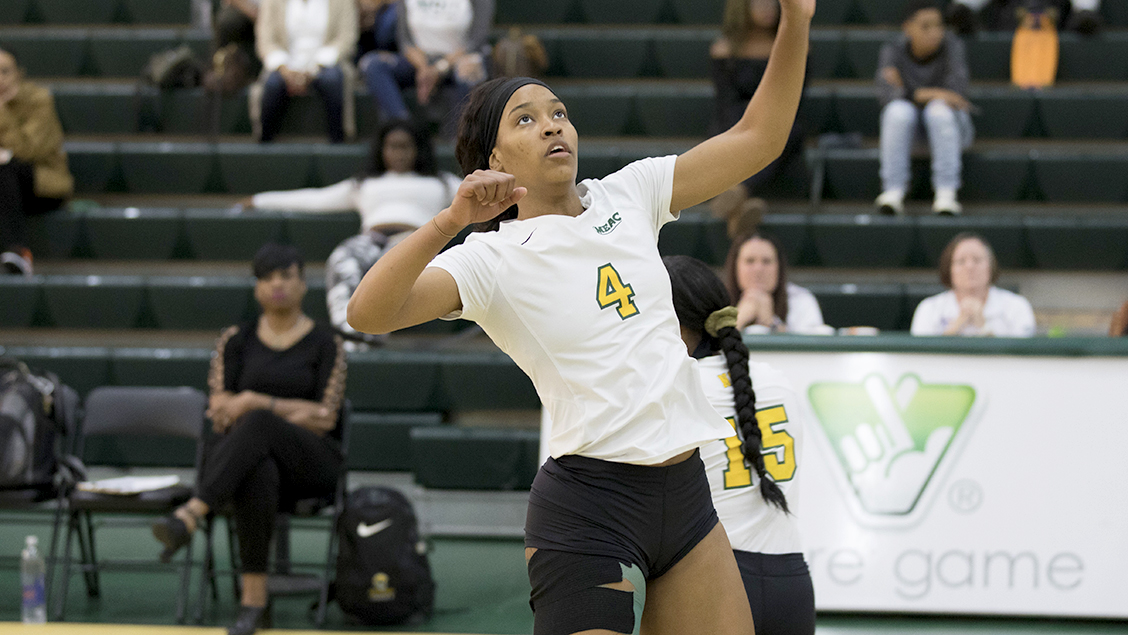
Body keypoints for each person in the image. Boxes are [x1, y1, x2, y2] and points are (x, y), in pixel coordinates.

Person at [345, 0, 813, 629]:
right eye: (526, 119)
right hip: (590, 505)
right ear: (495, 160)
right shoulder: (490, 257)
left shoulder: (631, 191)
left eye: (558, 113)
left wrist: (796, 22)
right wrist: (450, 221)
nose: (551, 127)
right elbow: (367, 313)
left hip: (686, 495)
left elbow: (759, 139)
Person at [151, 244, 347, 635]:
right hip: (247, 464)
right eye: (267, 278)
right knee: (257, 469)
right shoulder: (236, 339)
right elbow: (220, 409)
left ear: (303, 284)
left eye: (286, 276)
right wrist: (287, 410)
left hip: (310, 463)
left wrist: (257, 402)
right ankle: (254, 604)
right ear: (256, 288)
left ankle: (194, 511)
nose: (277, 285)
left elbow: (324, 417)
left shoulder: (327, 342)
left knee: (257, 421)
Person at [665, 255, 815, 635]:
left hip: (714, 583)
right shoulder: (779, 380)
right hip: (792, 586)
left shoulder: (676, 389)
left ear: (674, 325)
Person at [243, 119, 461, 348]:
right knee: (341, 259)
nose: (399, 153)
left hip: (413, 244)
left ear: (418, 149)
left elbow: (477, 194)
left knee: (390, 277)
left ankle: (373, 335)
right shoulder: (363, 183)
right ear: (382, 149)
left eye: (405, 146)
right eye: (392, 146)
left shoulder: (443, 183)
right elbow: (316, 198)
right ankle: (350, 334)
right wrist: (259, 200)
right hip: (369, 241)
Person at [875, 0, 974, 216]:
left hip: (951, 129)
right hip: (911, 133)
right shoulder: (892, 50)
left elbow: (956, 94)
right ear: (908, 28)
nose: (934, 32)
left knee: (938, 111)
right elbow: (887, 95)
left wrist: (909, 91)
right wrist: (933, 93)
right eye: (925, 26)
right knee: (897, 111)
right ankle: (893, 191)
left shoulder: (953, 46)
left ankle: (946, 193)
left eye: (938, 25)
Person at [710, 0, 806, 197]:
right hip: (737, 119)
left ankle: (739, 191)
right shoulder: (724, 50)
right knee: (730, 131)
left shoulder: (794, 48)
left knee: (784, 133)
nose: (768, 9)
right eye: (761, 4)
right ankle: (743, 203)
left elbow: (794, 97)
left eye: (772, 4)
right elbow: (725, 101)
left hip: (779, 119)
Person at [359, 0, 493, 134]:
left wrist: (439, 68)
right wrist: (424, 68)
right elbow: (405, 41)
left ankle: (457, 138)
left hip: (459, 59)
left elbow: (476, 40)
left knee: (470, 72)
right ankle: (402, 126)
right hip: (419, 60)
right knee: (373, 64)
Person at [0, 46, 73, 276]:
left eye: (5, 71)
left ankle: (17, 253)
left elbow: (27, 151)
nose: (0, 79)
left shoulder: (39, 100)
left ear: (19, 73)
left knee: (6, 168)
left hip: (43, 184)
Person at [254, 0, 359, 143]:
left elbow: (347, 38)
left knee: (333, 81)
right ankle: (265, 143)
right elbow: (266, 41)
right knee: (272, 85)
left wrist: (315, 69)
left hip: (326, 64)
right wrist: (285, 70)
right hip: (285, 66)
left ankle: (338, 142)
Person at [911, 232, 1035, 337]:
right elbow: (920, 355)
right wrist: (957, 325)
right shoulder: (929, 308)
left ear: (990, 266)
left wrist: (984, 327)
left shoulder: (1017, 306)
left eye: (977, 260)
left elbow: (1023, 354)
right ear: (949, 269)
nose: (969, 267)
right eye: (961, 261)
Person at [723, 232, 825, 334]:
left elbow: (814, 341)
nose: (758, 269)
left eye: (766, 261)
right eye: (750, 261)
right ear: (735, 267)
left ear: (779, 267)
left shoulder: (800, 299)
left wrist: (772, 323)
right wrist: (737, 321)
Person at [947, 0, 1102, 35]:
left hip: (1054, 20)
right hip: (1010, 19)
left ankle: (1085, 14)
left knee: (1085, 14)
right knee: (961, 10)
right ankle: (964, 9)